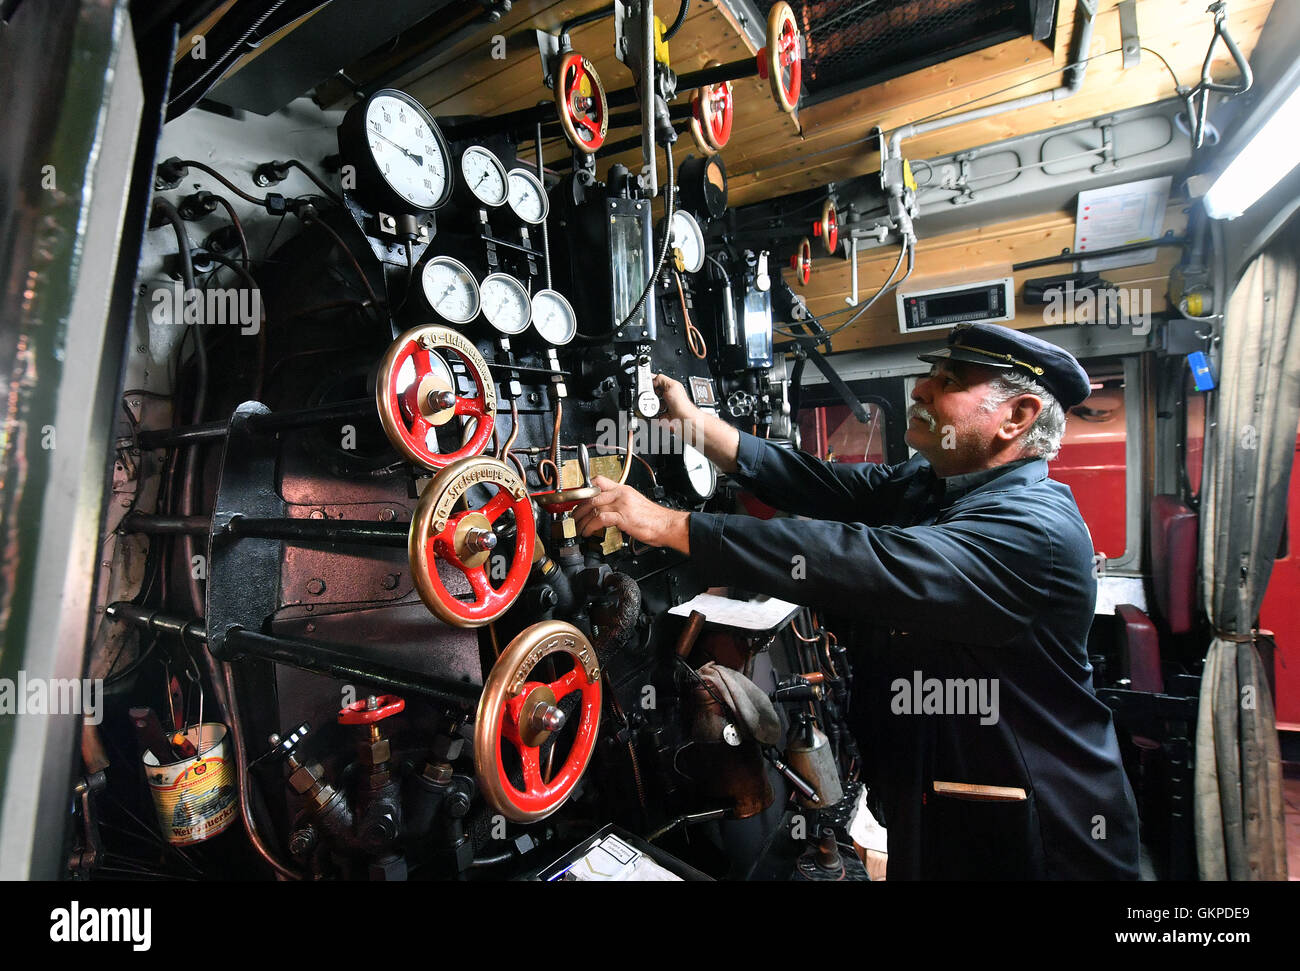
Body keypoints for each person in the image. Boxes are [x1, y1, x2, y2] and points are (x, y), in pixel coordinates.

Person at [572, 322, 1141, 880]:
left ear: (1017, 418)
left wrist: (668, 523)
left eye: (950, 380)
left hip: (1033, 826)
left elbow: (860, 561)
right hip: (941, 794)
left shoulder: (1032, 532)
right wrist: (695, 426)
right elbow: (821, 484)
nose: (921, 389)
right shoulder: (933, 484)